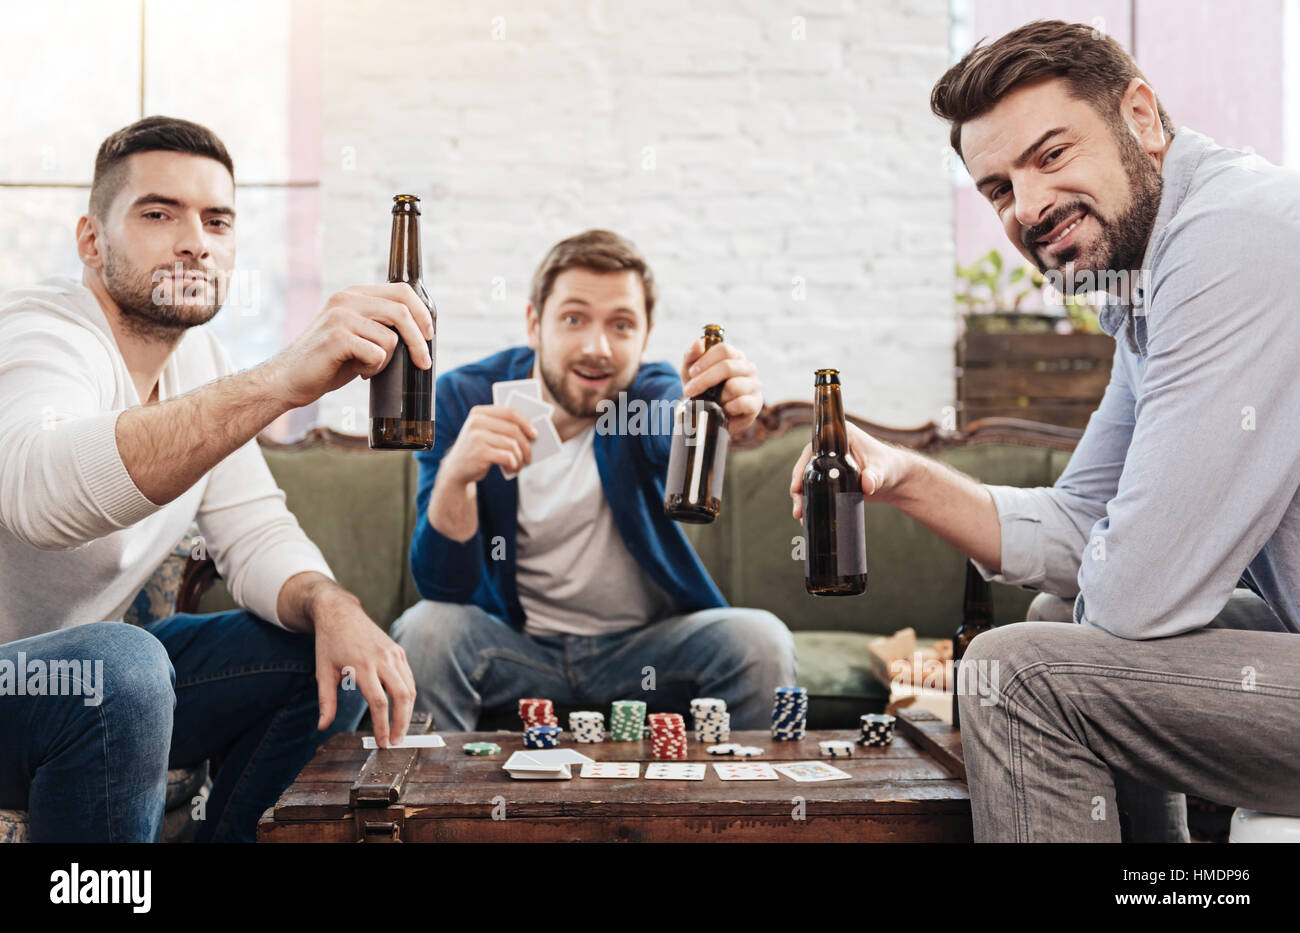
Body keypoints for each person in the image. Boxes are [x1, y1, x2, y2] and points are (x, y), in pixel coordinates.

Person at [791, 20, 1300, 842]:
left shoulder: (1234, 241)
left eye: (1051, 155)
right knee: (1056, 612)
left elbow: (1140, 598)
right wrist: (900, 473)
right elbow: (1083, 529)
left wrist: (1118, 564)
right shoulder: (1152, 280)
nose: (1028, 208)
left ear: (1140, 116)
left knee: (1012, 674)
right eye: (997, 189)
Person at [0, 116, 419, 842]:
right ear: (92, 241)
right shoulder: (37, 332)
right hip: (27, 689)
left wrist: (333, 604)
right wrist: (284, 377)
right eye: (159, 212)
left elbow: (254, 531)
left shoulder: (201, 364)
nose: (195, 239)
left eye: (217, 219)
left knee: (329, 656)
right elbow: (43, 496)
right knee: (122, 664)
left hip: (86, 687)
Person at [391, 229, 795, 730]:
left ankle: (742, 808)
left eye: (621, 325)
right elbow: (440, 584)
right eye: (574, 318)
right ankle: (428, 807)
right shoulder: (463, 396)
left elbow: (669, 424)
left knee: (760, 639)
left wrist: (708, 419)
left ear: (645, 339)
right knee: (426, 630)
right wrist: (456, 476)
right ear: (535, 324)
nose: (596, 347)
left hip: (642, 654)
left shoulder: (646, 395)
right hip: (513, 652)